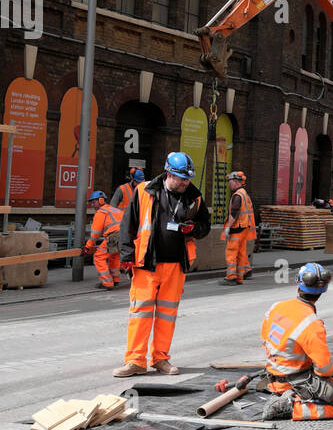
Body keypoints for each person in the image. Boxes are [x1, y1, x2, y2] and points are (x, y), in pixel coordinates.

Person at [113, 152, 211, 377]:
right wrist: (126, 256)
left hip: (175, 265)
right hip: (147, 264)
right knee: (140, 314)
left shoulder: (193, 196)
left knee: (167, 315)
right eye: (181, 178)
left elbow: (204, 225)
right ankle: (135, 361)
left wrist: (193, 229)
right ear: (169, 174)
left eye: (187, 179)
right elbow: (128, 224)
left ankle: (161, 358)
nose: (185, 183)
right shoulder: (144, 191)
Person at [260, 263, 333, 420]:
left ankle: (284, 397)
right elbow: (324, 369)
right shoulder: (311, 323)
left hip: (272, 376)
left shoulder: (276, 307)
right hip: (292, 381)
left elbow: (265, 338)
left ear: (299, 285)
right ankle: (291, 407)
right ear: (323, 290)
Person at [222, 170, 256, 285]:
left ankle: (231, 276)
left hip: (237, 228)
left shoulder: (237, 195)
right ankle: (239, 277)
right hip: (244, 227)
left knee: (231, 252)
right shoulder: (244, 193)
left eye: (230, 181)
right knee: (241, 253)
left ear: (236, 182)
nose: (229, 184)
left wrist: (228, 227)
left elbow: (234, 213)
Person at [84, 189, 124, 289]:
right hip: (124, 236)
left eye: (94, 202)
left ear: (101, 201)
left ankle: (107, 282)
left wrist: (87, 247)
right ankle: (115, 280)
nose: (92, 205)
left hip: (114, 237)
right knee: (115, 257)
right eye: (91, 203)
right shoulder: (114, 209)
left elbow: (95, 234)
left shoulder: (101, 212)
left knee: (98, 256)